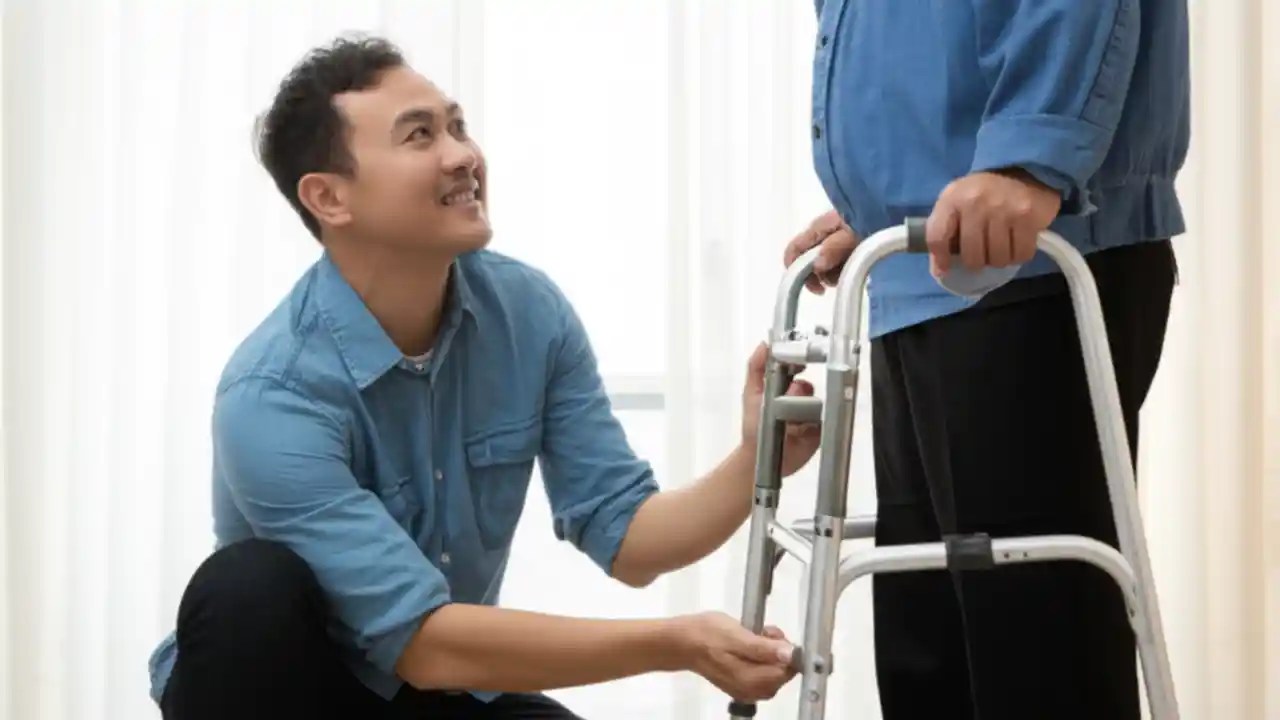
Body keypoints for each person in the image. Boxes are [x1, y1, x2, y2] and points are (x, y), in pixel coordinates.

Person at [148, 35, 821, 720]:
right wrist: (676, 644)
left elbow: (629, 540)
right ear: (329, 198)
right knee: (245, 587)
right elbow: (421, 642)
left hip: (439, 685)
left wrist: (753, 459)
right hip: (299, 691)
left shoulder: (528, 314)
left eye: (457, 127)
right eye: (419, 136)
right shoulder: (271, 393)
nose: (463, 155)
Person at [784, 2, 1188, 719]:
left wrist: (1027, 156)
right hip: (926, 263)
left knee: (1034, 660)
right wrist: (885, 194)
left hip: (1023, 259)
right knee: (930, 655)